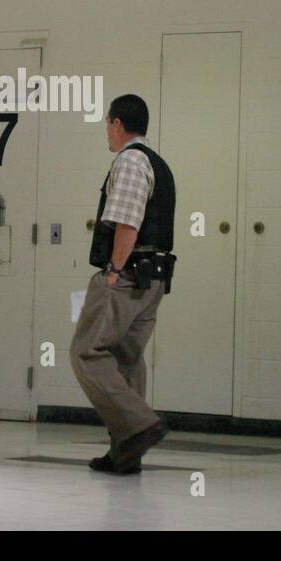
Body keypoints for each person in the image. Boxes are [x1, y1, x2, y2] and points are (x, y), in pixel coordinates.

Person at [70, 94, 177, 475]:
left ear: (117, 124)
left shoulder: (131, 161)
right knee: (125, 359)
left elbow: (127, 224)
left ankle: (139, 424)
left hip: (127, 277)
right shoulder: (158, 164)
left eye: (107, 125)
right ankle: (125, 452)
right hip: (153, 280)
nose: (107, 134)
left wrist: (112, 272)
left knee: (86, 352)